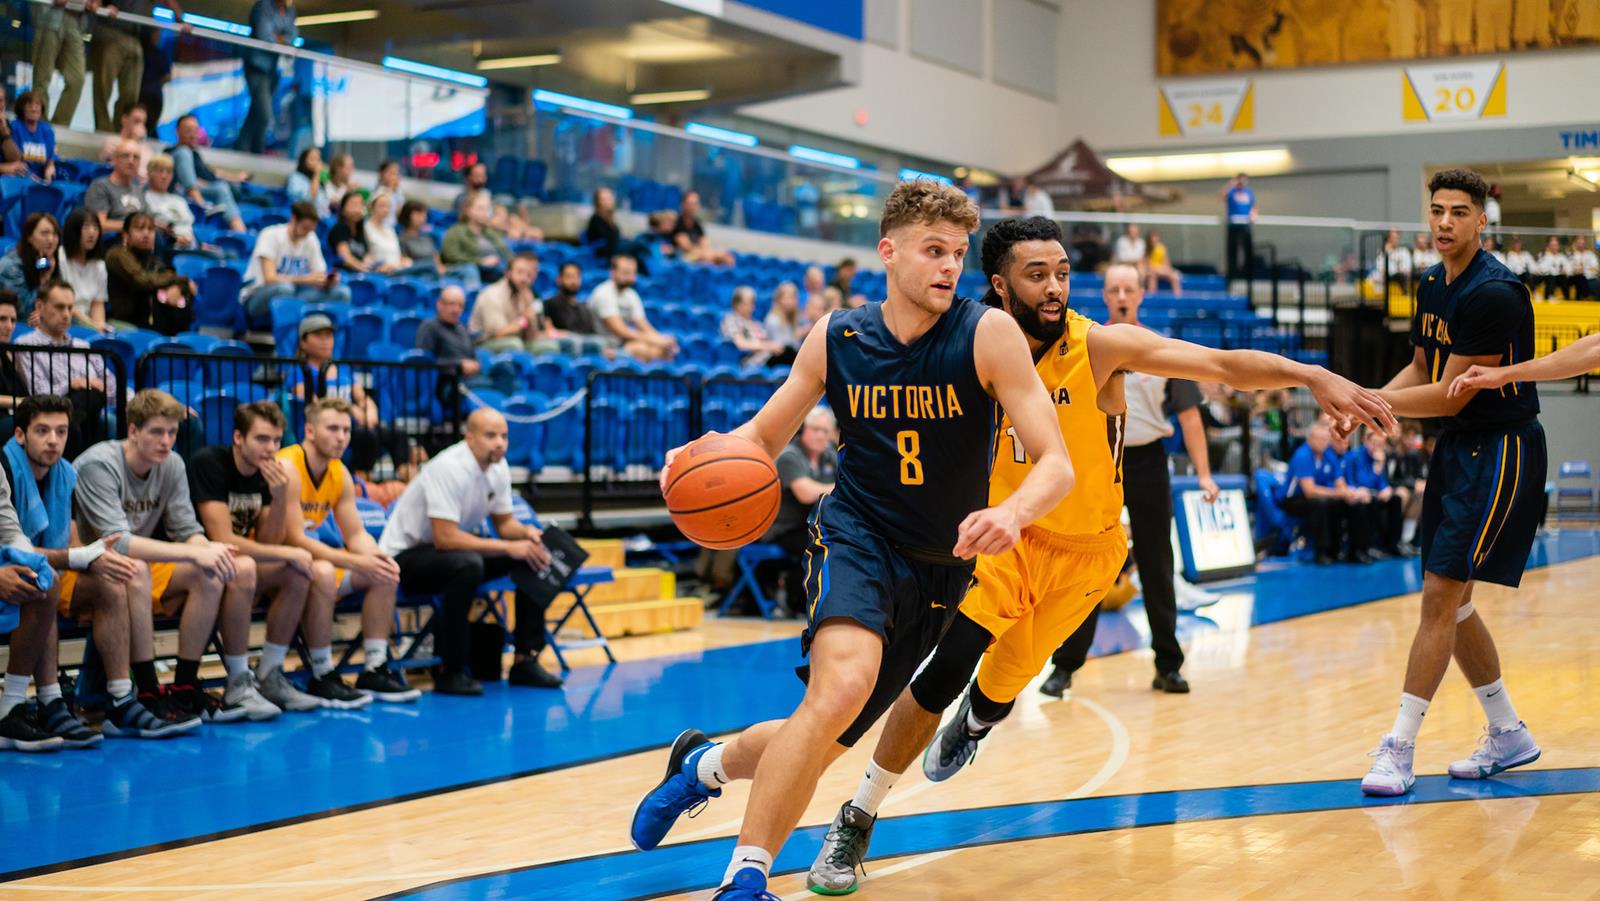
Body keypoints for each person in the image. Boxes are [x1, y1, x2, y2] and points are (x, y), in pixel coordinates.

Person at [797, 217, 1393, 895]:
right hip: (1002, 538)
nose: (1054, 288)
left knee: (1003, 683)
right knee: (947, 666)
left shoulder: (1098, 345)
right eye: (1036, 274)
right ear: (999, 284)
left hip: (1088, 553)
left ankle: (981, 718)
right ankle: (857, 817)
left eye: (1061, 272)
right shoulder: (967, 343)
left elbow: (1218, 364)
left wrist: (1310, 372)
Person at [627, 182, 1078, 900]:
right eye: (934, 250)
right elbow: (761, 438)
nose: (948, 267)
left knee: (821, 736)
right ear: (888, 251)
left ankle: (703, 764)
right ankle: (746, 879)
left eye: (958, 254)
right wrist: (694, 459)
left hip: (941, 569)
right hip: (856, 534)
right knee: (838, 689)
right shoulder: (837, 336)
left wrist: (1014, 512)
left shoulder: (985, 333)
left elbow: (1056, 463)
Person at [1360, 168, 1546, 798]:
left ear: (1481, 220)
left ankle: (1400, 748)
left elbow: (1449, 397)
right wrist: (1366, 403)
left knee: (1440, 595)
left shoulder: (1495, 293)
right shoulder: (1432, 283)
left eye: (1458, 212)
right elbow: (1420, 366)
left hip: (1501, 448)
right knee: (1455, 600)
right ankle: (1507, 731)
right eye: (1436, 210)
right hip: (1458, 448)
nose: (1443, 223)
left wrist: (1375, 409)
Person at [1041, 262, 1217, 700]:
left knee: (1158, 561)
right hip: (1095, 463)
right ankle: (1065, 665)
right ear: (1104, 296)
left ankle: (1168, 664)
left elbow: (1190, 416)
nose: (1121, 295)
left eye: (1129, 289)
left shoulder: (1157, 349)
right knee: (1085, 562)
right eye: (1114, 289)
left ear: (1141, 295)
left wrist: (1205, 474)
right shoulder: (1083, 346)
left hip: (1147, 462)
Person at [68, 388, 267, 727]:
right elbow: (120, 543)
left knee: (216, 570)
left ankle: (186, 685)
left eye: (173, 433)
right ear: (132, 431)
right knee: (139, 568)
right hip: (82, 567)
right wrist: (195, 551)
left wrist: (209, 550)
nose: (166, 441)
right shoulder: (98, 464)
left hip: (131, 565)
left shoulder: (172, 463)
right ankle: (147, 691)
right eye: (157, 432)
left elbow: (186, 527)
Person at [378, 408, 562, 695]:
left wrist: (527, 534)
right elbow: (445, 539)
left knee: (533, 555)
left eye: (504, 436)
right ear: (470, 438)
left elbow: (505, 524)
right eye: (491, 436)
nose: (499, 443)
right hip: (404, 558)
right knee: (469, 564)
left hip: (448, 555)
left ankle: (526, 660)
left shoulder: (498, 466)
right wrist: (510, 546)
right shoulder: (448, 467)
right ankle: (450, 671)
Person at [1, 394, 140, 751]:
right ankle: (16, 705)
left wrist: (90, 557)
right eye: (43, 430)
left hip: (28, 568)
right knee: (45, 580)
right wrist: (80, 556)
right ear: (20, 435)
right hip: (12, 570)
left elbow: (32, 546)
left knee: (106, 583)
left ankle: (120, 699)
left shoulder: (65, 474)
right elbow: (22, 549)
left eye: (61, 431)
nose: (53, 440)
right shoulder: (4, 466)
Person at [187, 401, 327, 713]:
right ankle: (238, 682)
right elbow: (222, 539)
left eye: (277, 440)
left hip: (236, 567)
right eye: (262, 439)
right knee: (251, 565)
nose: (271, 448)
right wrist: (287, 551)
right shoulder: (209, 463)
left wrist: (279, 499)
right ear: (238, 438)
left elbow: (268, 539)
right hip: (197, 565)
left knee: (298, 572)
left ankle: (269, 675)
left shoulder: (269, 473)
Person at [277, 396, 418, 702]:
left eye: (346, 430)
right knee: (326, 572)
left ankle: (374, 668)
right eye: (332, 429)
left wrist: (378, 557)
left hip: (311, 559)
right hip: (279, 560)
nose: (341, 437)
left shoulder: (339, 473)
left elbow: (356, 534)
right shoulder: (288, 466)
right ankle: (323, 672)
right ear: (310, 431)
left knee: (384, 573)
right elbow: (294, 539)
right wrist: (356, 559)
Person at [292, 313, 415, 480]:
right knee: (366, 435)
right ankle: (362, 485)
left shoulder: (343, 370)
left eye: (328, 335)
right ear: (303, 342)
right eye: (318, 335)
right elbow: (312, 401)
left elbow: (362, 397)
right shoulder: (299, 370)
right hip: (331, 428)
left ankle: (406, 483)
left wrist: (369, 411)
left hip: (357, 426)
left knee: (398, 434)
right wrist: (351, 410)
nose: (325, 341)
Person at [14, 281, 116, 457]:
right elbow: (38, 393)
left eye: (70, 308)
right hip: (51, 410)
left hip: (93, 406)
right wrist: (72, 384)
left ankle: (71, 421)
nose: (66, 314)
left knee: (99, 403)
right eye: (59, 307)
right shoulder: (25, 345)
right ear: (39, 306)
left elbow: (112, 384)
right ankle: (70, 422)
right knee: (87, 402)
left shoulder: (83, 346)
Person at [755, 406, 836, 617]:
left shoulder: (829, 456)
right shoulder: (789, 455)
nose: (820, 435)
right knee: (821, 541)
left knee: (834, 537)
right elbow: (805, 493)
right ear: (804, 429)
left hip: (811, 525)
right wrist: (838, 488)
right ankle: (794, 596)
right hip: (781, 529)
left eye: (825, 431)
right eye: (816, 429)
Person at [242, 200, 350, 329]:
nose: (307, 233)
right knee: (285, 288)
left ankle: (325, 336)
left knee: (343, 292)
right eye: (304, 228)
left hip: (296, 294)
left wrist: (326, 281)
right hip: (258, 296)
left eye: (311, 229)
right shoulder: (270, 234)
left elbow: (318, 273)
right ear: (293, 219)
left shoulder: (310, 237)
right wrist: (305, 280)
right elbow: (269, 278)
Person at [92, 0, 186, 133]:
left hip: (134, 36)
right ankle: (102, 128)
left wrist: (180, 19)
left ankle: (121, 128)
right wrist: (101, 7)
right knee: (103, 85)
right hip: (111, 30)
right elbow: (95, 4)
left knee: (131, 92)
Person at [1277, 419, 1360, 565]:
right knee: (1321, 504)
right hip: (1292, 499)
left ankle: (1343, 550)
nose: (1323, 442)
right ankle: (1321, 552)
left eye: (1325, 439)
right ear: (1309, 439)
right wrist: (1339, 493)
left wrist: (1349, 493)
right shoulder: (1302, 455)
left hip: (1317, 498)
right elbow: (1310, 491)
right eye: (1319, 439)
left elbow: (1339, 483)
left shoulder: (1329, 455)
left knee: (1343, 503)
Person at [105, 211, 195, 335]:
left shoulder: (154, 261)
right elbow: (143, 280)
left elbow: (172, 279)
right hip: (123, 322)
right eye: (140, 228)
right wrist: (183, 281)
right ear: (126, 235)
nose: (146, 234)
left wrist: (178, 288)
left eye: (151, 229)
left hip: (150, 324)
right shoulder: (117, 254)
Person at [469, 252, 560, 356]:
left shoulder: (526, 294)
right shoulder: (493, 295)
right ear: (508, 273)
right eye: (519, 272)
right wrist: (523, 322)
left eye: (528, 274)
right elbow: (498, 334)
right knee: (515, 344)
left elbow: (531, 337)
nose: (524, 278)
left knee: (549, 346)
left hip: (515, 341)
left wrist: (530, 316)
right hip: (484, 344)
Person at [170, 114, 247, 233]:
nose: (193, 135)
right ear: (177, 131)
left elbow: (213, 173)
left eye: (196, 131)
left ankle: (241, 234)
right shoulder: (173, 153)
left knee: (229, 187)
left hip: (207, 191)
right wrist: (196, 184)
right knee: (220, 188)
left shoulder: (196, 155)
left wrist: (236, 177)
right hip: (183, 194)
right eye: (188, 131)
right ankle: (202, 206)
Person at [591, 255, 676, 361]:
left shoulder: (631, 294)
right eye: (625, 273)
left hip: (621, 343)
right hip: (602, 345)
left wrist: (662, 341)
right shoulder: (603, 293)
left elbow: (643, 325)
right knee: (642, 349)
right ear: (612, 272)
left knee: (664, 352)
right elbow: (620, 330)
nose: (630, 278)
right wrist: (656, 341)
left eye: (632, 273)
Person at [241, 0, 295, 153]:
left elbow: (293, 35)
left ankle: (242, 149)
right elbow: (264, 35)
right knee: (264, 114)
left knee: (256, 111)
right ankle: (256, 152)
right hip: (257, 65)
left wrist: (280, 38)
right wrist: (281, 39)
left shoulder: (290, 10)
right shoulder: (263, 6)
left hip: (273, 68)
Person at [1344, 427, 1405, 557]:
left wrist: (1386, 489)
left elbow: (1381, 483)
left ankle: (1393, 544)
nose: (1377, 447)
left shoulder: (1378, 457)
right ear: (1365, 440)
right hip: (1358, 494)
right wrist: (1377, 467)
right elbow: (1360, 482)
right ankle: (1368, 546)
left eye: (1381, 444)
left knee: (1395, 499)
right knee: (1371, 502)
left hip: (1372, 494)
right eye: (1374, 443)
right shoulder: (1355, 457)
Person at [32, 0, 93, 126]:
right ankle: (39, 124)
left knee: (77, 80)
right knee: (42, 77)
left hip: (76, 21)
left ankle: (59, 125)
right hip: (51, 17)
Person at [398, 199, 477, 286]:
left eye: (424, 215)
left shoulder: (426, 235)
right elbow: (405, 262)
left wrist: (440, 267)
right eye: (418, 214)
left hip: (437, 270)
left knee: (469, 269)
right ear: (408, 215)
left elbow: (435, 255)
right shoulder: (402, 239)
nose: (422, 218)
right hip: (421, 274)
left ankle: (472, 295)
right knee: (430, 269)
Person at [542, 262, 613, 356]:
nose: (573, 281)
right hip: (565, 342)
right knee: (574, 342)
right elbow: (549, 330)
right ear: (559, 279)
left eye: (576, 277)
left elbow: (592, 332)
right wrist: (563, 334)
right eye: (569, 277)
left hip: (584, 340)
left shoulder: (585, 307)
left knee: (600, 342)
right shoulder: (549, 303)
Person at [56, 208, 109, 332]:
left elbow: (97, 304)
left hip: (88, 323)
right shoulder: (60, 257)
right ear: (73, 231)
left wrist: (100, 325)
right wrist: (92, 326)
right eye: (86, 227)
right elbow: (66, 304)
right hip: (67, 320)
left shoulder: (99, 265)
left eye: (96, 228)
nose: (92, 233)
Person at [0, 212, 61, 318]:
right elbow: (22, 310)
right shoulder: (10, 266)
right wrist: (44, 279)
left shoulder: (46, 260)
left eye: (55, 234)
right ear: (29, 237)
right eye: (44, 233)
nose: (51, 240)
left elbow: (61, 300)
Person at [442, 192, 511, 284]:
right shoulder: (456, 231)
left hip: (494, 269)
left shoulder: (492, 234)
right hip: (470, 269)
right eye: (480, 208)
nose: (485, 212)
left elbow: (506, 253)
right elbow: (450, 255)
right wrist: (480, 261)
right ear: (468, 211)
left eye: (487, 209)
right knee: (471, 269)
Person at [85, 140, 148, 234]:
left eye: (136, 157)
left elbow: (147, 222)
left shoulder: (139, 190)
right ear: (114, 159)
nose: (131, 161)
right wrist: (132, 227)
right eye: (126, 156)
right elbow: (99, 224)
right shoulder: (101, 186)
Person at [720, 286, 792, 368]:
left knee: (789, 351)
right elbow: (741, 344)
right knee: (790, 353)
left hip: (767, 357)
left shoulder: (754, 322)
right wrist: (769, 346)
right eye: (747, 304)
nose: (751, 308)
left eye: (752, 303)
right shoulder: (731, 320)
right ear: (737, 304)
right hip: (751, 361)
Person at [142, 153, 201, 251]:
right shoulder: (144, 198)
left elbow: (189, 226)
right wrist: (174, 239)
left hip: (192, 246)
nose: (164, 176)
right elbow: (150, 227)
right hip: (168, 247)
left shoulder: (179, 200)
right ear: (149, 173)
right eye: (160, 171)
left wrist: (201, 244)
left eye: (169, 172)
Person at [327, 192, 385, 274]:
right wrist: (364, 269)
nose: (357, 209)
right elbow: (345, 258)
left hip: (360, 272)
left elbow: (366, 255)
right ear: (343, 208)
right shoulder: (339, 228)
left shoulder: (361, 229)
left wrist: (375, 267)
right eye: (353, 204)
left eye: (360, 205)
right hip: (344, 273)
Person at [673, 191, 734, 266]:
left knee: (727, 258)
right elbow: (687, 248)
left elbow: (705, 245)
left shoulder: (697, 225)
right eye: (690, 204)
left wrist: (713, 254)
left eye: (695, 204)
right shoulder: (678, 223)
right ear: (683, 204)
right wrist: (712, 255)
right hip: (684, 259)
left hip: (700, 255)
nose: (693, 207)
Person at [11, 90, 59, 181]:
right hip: (17, 179)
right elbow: (12, 159)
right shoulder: (14, 127)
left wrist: (49, 169)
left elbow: (50, 161)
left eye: (37, 105)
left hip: (41, 181)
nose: (34, 109)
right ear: (22, 108)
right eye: (29, 105)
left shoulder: (47, 130)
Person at [0, 295, 30, 436]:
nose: (9, 326)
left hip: (12, 416)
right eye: (2, 319)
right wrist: (20, 402)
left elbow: (24, 392)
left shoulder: (9, 355)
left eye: (13, 320)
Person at [98, 103, 149, 179]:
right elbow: (116, 170)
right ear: (124, 119)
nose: (140, 126)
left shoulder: (147, 151)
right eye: (137, 121)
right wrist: (135, 140)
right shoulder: (112, 142)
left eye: (143, 123)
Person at [1222, 172, 1255, 281]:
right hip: (1233, 224)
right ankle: (1232, 275)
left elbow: (1253, 207)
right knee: (1233, 251)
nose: (1242, 182)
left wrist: (1253, 215)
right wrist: (1230, 184)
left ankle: (1249, 275)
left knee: (1248, 250)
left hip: (1245, 224)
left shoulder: (1249, 192)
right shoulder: (1232, 191)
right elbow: (1222, 196)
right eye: (1240, 180)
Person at [763, 281, 808, 351]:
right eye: (786, 298)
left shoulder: (793, 318)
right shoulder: (773, 319)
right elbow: (782, 347)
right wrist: (798, 335)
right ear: (778, 299)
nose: (790, 301)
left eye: (793, 298)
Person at [584, 186, 625, 258]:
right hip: (606, 257)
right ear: (598, 202)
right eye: (605, 199)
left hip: (617, 254)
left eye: (610, 198)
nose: (609, 201)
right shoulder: (596, 220)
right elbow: (606, 244)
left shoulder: (612, 223)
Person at [0, 88, 29, 178]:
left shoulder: (5, 123)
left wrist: (5, 134)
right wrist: (3, 168)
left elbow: (15, 158)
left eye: (1, 100)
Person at [1144, 230, 1183, 295]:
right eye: (1153, 237)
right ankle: (1152, 299)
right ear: (1149, 239)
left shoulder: (1161, 248)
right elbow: (1147, 265)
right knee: (1152, 278)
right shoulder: (1146, 250)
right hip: (1152, 272)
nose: (1154, 239)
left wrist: (1161, 270)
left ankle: (1178, 298)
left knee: (1174, 277)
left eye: (1156, 237)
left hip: (1161, 270)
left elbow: (1167, 264)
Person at [374, 160, 405, 226]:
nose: (395, 176)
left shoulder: (398, 192)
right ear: (382, 174)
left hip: (394, 227)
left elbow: (400, 214)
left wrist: (395, 191)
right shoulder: (378, 191)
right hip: (382, 225)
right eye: (392, 173)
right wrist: (390, 189)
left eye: (397, 173)